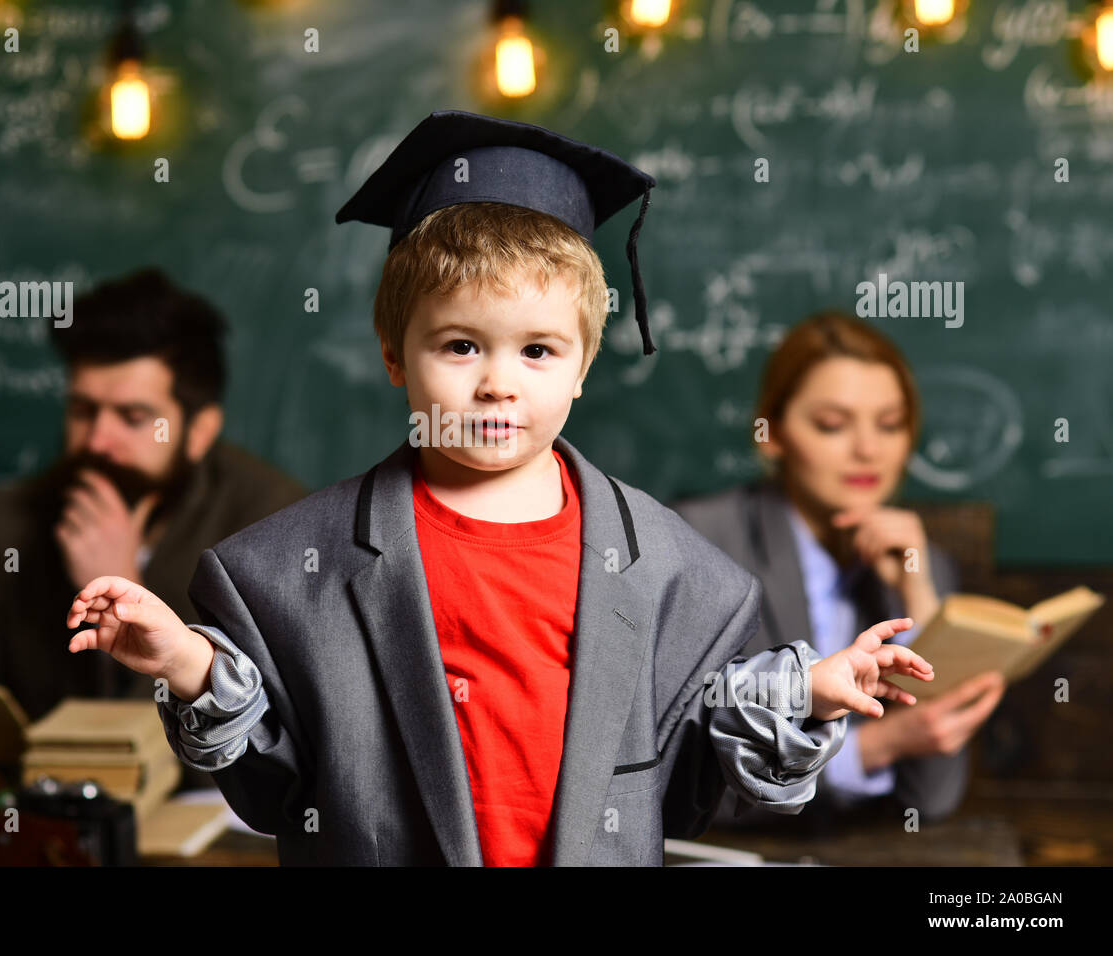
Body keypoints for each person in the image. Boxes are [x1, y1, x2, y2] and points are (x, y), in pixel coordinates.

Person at [64, 111, 935, 866]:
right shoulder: (288, 570)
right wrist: (184, 661)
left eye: (538, 350)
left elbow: (701, 755)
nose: (498, 384)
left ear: (585, 364)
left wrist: (810, 690)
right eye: (460, 346)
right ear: (393, 352)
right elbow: (270, 776)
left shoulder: (672, 567)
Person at [0, 267, 308, 800]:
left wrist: (123, 590)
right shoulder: (8, 523)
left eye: (132, 417)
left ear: (198, 433)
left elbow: (268, 748)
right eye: (83, 411)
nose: (97, 442)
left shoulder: (275, 522)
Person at [673, 311, 1006, 829]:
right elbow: (680, 777)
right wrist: (870, 749)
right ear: (772, 433)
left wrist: (920, 602)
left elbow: (932, 797)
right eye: (832, 424)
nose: (868, 450)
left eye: (890, 425)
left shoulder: (924, 562)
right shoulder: (697, 540)